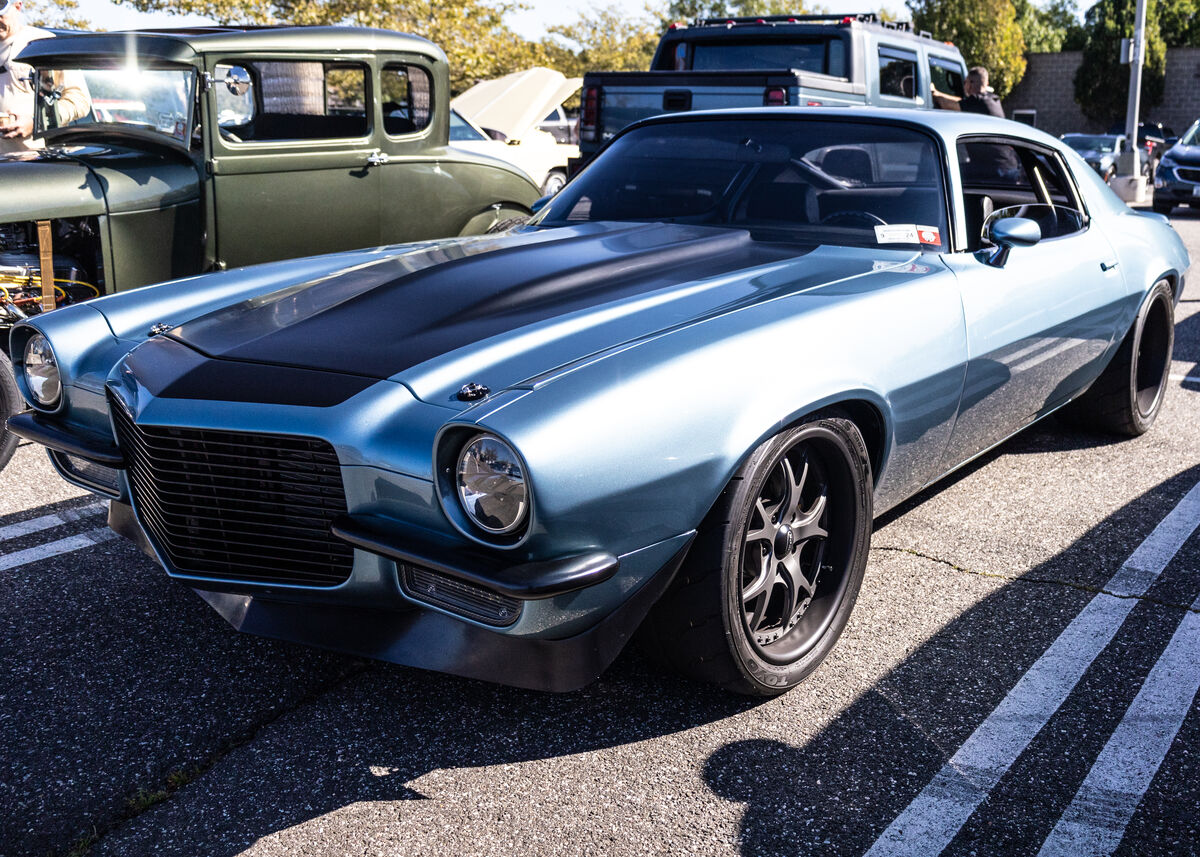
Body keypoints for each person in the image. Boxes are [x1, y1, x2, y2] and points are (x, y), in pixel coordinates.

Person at [0, 0, 89, 154]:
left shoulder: (43, 44)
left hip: (34, 165)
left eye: (0, 13)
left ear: (17, 6)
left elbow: (79, 101)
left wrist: (37, 123)